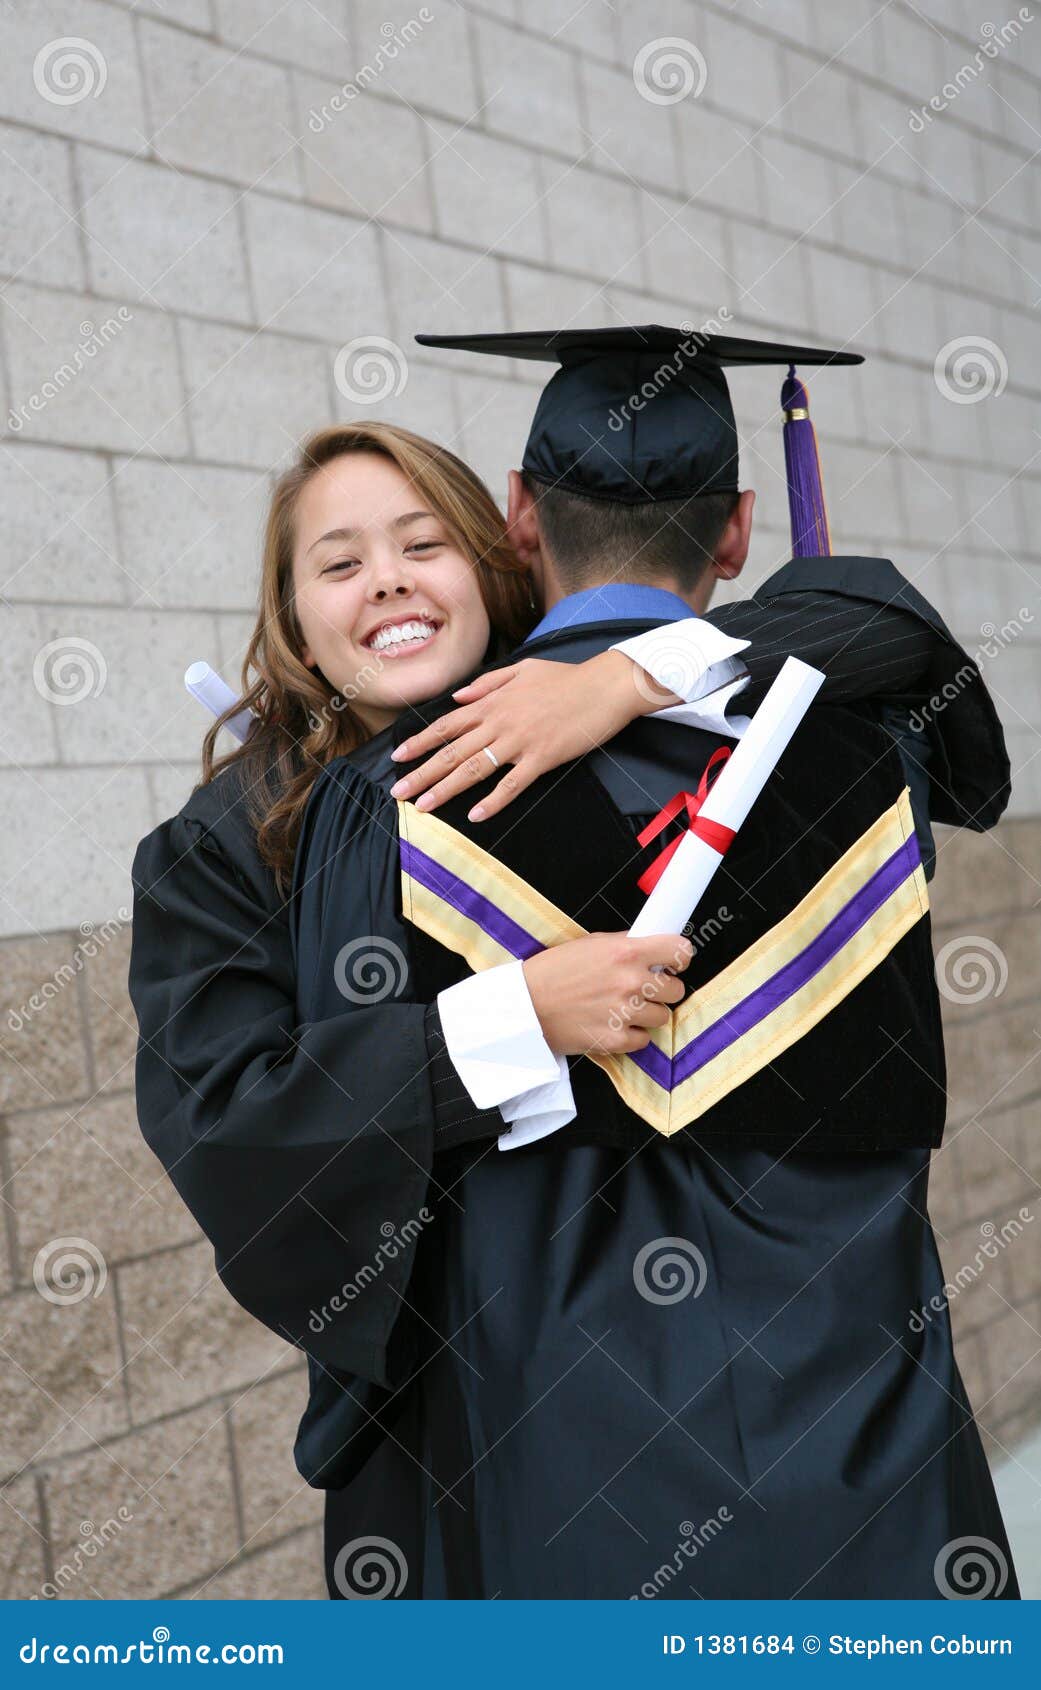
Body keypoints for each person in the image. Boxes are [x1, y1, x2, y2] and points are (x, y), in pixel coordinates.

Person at [128, 370, 1009, 1598]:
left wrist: (624, 677)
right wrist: (515, 1019)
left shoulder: (652, 721)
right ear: (288, 613)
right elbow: (228, 1117)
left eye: (421, 543)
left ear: (509, 541)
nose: (384, 578)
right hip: (523, 1428)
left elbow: (885, 630)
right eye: (336, 563)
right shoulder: (253, 835)